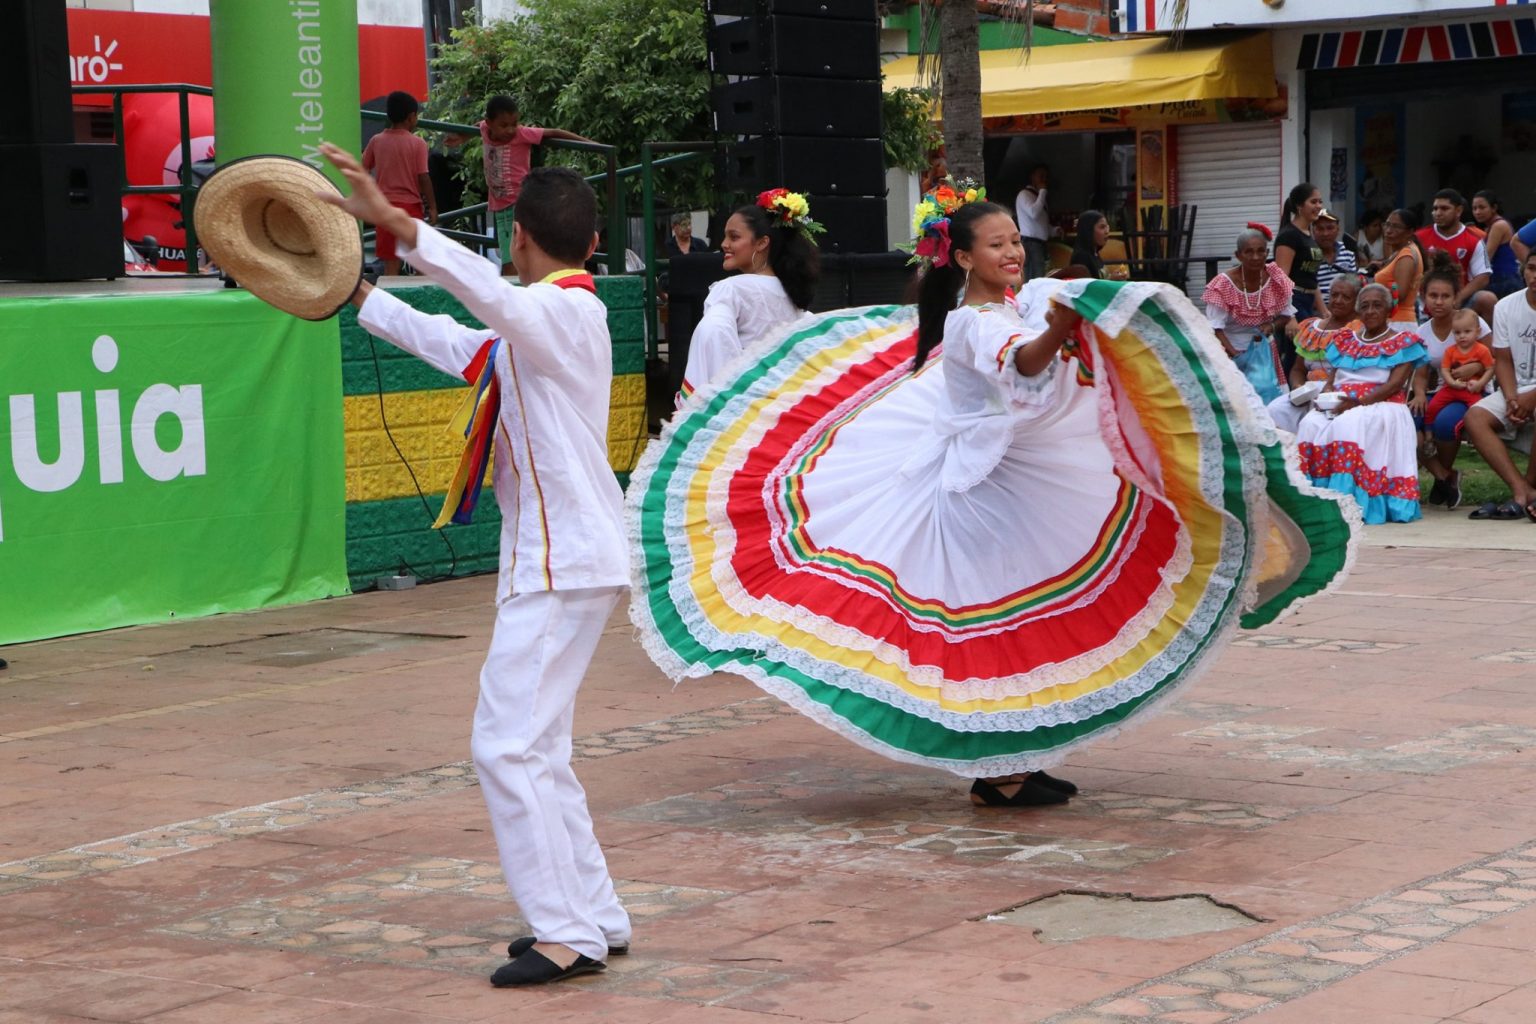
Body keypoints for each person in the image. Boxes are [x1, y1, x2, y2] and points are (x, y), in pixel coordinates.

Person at [626, 186, 1360, 807]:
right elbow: (1025, 367)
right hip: (979, 487)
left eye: (1016, 242)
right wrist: (1064, 331)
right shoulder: (973, 322)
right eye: (997, 245)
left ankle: (1008, 763)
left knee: (1017, 623)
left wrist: (1069, 322)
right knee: (985, 628)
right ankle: (999, 770)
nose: (1013, 253)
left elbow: (1040, 358)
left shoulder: (1016, 304)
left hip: (1013, 471)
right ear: (964, 256)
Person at [319, 145, 631, 987]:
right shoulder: (544, 326)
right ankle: (594, 913)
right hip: (565, 559)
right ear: (594, 241)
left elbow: (487, 300)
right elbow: (464, 342)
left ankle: (567, 933)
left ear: (520, 239)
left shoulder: (561, 316)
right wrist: (361, 296)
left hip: (563, 563)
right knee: (540, 746)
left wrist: (399, 226)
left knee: (505, 745)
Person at [1295, 283, 1425, 524]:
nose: (1371, 311)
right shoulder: (1346, 340)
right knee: (1309, 424)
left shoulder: (1404, 342)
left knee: (1348, 425)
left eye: (1377, 305)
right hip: (1343, 401)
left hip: (1381, 403)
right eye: (1364, 306)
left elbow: (1394, 385)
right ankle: (1314, 500)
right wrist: (1325, 398)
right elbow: (1332, 379)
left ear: (1389, 309)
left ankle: (1348, 503)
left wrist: (1358, 402)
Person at [676, 188, 819, 403]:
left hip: (744, 408)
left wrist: (727, 401)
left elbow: (713, 333)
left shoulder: (731, 290)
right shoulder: (792, 294)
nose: (724, 244)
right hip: (782, 406)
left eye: (734, 237)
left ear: (762, 243)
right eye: (725, 236)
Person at [480, 93, 598, 277]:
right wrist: (460, 136)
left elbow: (554, 133)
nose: (511, 130)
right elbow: (476, 126)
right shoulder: (483, 129)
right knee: (508, 252)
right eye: (504, 125)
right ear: (489, 123)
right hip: (499, 205)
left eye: (514, 123)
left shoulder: (522, 134)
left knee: (511, 255)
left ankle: (511, 290)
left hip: (517, 201)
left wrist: (590, 144)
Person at [1412, 252, 1492, 508]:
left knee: (1446, 423)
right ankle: (1445, 476)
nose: (1439, 301)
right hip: (1441, 391)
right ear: (1423, 297)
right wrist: (1420, 393)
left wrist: (1475, 368)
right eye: (1433, 296)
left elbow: (1494, 357)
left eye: (1445, 296)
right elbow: (1421, 372)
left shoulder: (1471, 322)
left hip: (1474, 391)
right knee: (1405, 420)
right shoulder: (1422, 332)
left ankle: (1441, 479)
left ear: (1456, 297)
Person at [1462, 249, 1536, 521]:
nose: (1535, 276)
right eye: (1531, 268)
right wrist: (1513, 397)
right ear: (1523, 270)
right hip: (1514, 386)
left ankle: (1530, 486)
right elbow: (1502, 359)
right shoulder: (1506, 306)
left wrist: (1531, 398)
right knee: (1475, 417)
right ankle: (1521, 490)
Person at [1201, 223, 1295, 404]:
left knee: (1267, 394)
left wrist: (1271, 326)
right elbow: (1215, 328)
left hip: (1264, 351)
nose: (1255, 257)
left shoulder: (1276, 279)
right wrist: (1236, 356)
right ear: (1238, 255)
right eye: (1249, 252)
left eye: (1261, 251)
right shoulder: (1223, 284)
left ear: (1267, 254)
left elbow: (1286, 315)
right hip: (1229, 350)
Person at [1267, 274, 1359, 434]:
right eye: (1335, 295)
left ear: (1356, 301)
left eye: (1346, 297)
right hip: (1309, 392)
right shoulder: (1312, 327)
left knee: (1315, 421)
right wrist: (1298, 388)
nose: (1338, 300)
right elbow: (1298, 370)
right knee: (1275, 409)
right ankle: (1291, 455)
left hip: (1337, 392)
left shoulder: (1359, 330)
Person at [362, 90, 436, 277]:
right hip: (411, 208)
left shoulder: (376, 141)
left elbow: (363, 168)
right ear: (411, 117)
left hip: (385, 209)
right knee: (420, 262)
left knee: (390, 265)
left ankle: (390, 303)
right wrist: (433, 206)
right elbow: (423, 177)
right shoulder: (418, 143)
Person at [1415, 188, 1492, 317]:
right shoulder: (1419, 237)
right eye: (1435, 209)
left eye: (1444, 209)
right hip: (1423, 303)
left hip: (1460, 304)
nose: (1437, 213)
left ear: (1458, 211)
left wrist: (1458, 298)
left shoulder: (1474, 240)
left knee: (1487, 299)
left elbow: (1483, 277)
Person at [1426, 309, 1495, 431]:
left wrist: (1480, 383)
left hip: (1471, 390)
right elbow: (1445, 370)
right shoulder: (1450, 351)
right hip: (1450, 388)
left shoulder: (1482, 350)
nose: (1462, 336)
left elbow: (1490, 369)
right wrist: (1452, 383)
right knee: (1432, 406)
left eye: (1467, 331)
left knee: (1477, 409)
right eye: (1457, 333)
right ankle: (1428, 431)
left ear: (1477, 332)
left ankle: (1474, 432)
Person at [1274, 183, 1325, 323]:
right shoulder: (1288, 236)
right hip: (1294, 302)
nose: (1319, 206)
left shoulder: (1309, 235)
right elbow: (1281, 279)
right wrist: (1289, 317)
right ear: (1299, 206)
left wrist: (1324, 311)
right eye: (1313, 202)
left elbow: (1311, 278)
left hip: (1309, 301)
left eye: (1320, 202)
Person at [1372, 208, 1425, 330]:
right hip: (1392, 321)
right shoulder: (1400, 251)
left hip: (1398, 323)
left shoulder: (1406, 255)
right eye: (1387, 225)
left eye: (1396, 227)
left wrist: (1374, 290)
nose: (1389, 231)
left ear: (1409, 232)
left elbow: (1399, 294)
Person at [1473, 190, 1521, 299]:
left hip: (1504, 280)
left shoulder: (1498, 226)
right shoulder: (1490, 227)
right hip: (1500, 279)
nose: (1477, 212)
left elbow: (1486, 258)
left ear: (1494, 208)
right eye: (1474, 208)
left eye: (1482, 207)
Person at [1313, 208, 1358, 304]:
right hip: (1317, 310)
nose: (1325, 233)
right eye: (1320, 229)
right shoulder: (1308, 254)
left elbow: (1353, 286)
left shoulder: (1347, 251)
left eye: (1330, 228)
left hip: (1344, 307)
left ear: (1338, 230)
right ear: (1313, 231)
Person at [1014, 163, 1050, 281]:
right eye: (1041, 175)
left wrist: (1054, 230)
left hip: (1039, 244)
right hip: (1031, 244)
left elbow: (1040, 223)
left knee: (1040, 277)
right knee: (1034, 279)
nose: (1043, 179)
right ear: (1032, 176)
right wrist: (1043, 191)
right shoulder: (1024, 194)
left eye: (1045, 176)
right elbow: (1034, 213)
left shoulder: (1039, 197)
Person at [1070, 209, 1110, 279]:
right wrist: (1112, 279)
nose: (1106, 231)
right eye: (1102, 227)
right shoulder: (1081, 257)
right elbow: (1087, 287)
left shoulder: (1094, 253)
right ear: (1088, 230)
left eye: (1107, 227)